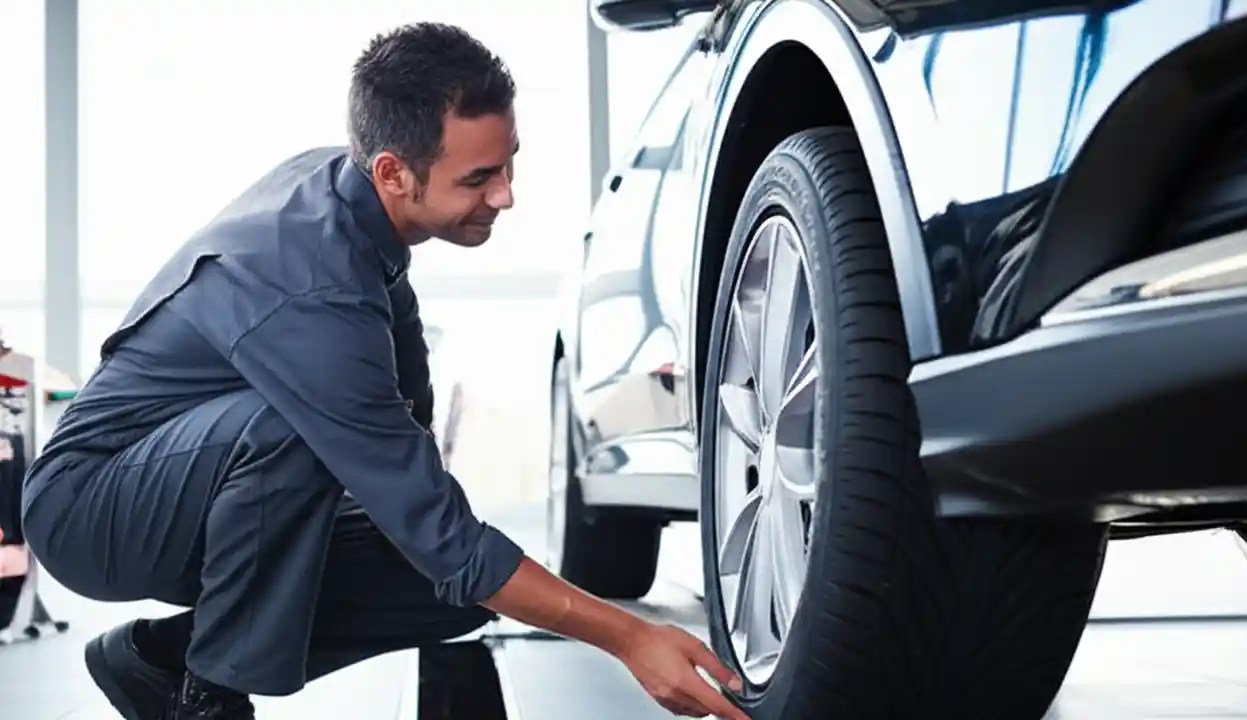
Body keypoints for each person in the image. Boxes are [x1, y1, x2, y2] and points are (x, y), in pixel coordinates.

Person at [20, 21, 748, 720]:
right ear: (394, 173)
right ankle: (206, 697)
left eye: (509, 161)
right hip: (94, 507)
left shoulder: (355, 207)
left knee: (453, 592)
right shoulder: (312, 284)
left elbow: (411, 432)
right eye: (480, 177)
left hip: (200, 483)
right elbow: (416, 499)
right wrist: (630, 638)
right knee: (327, 455)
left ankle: (160, 659)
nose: (506, 194)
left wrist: (441, 539)